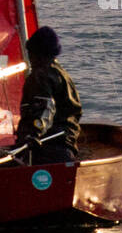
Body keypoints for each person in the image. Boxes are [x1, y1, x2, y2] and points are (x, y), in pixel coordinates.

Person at [14, 26, 82, 163]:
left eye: (30, 53)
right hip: (67, 142)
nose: (29, 58)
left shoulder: (41, 76)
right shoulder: (61, 73)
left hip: (47, 146)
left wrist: (33, 134)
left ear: (38, 54)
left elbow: (45, 108)